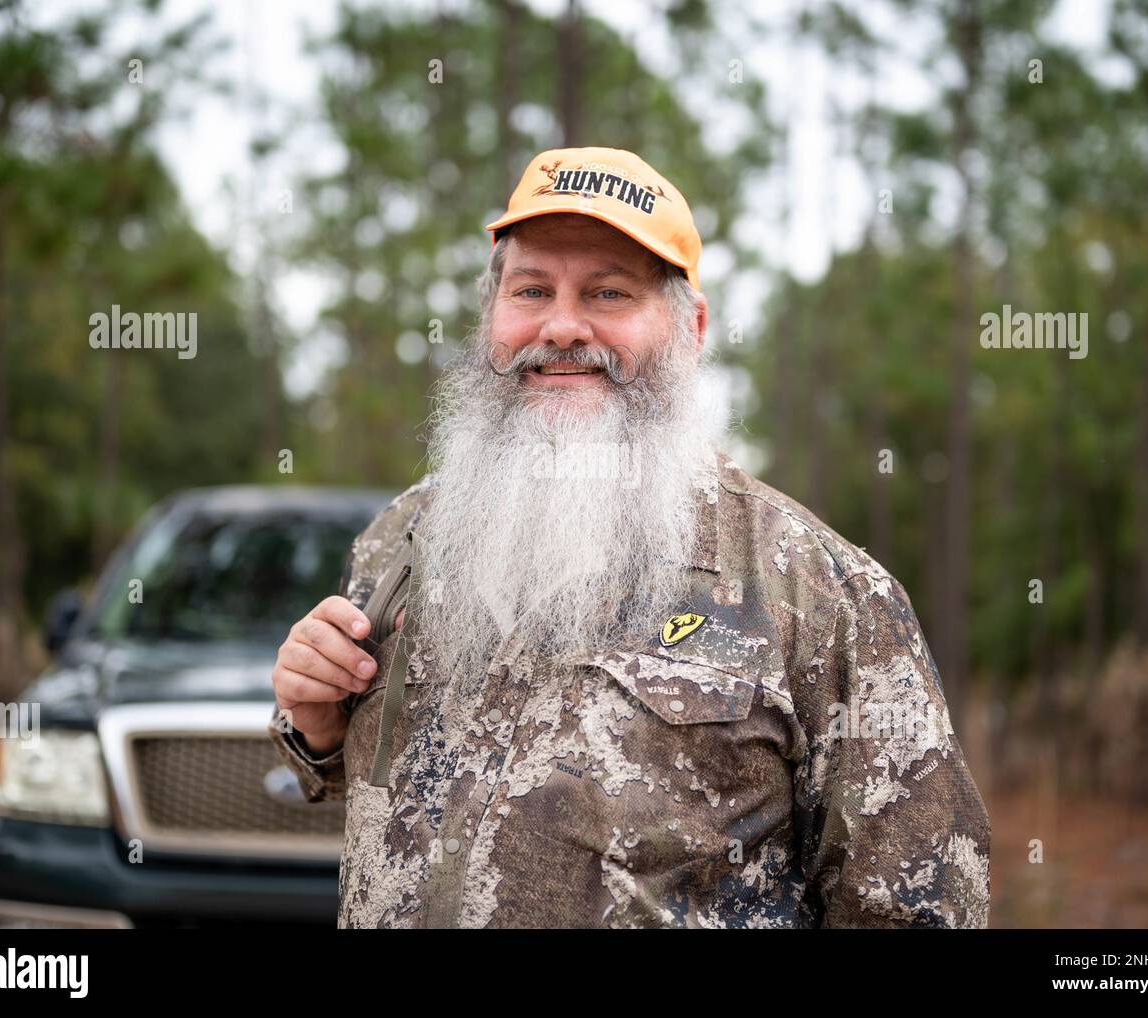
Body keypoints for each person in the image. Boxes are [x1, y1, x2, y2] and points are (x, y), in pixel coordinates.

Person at [269, 146, 991, 928]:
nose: (564, 326)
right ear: (492, 317)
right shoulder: (402, 540)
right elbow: (376, 785)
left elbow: (915, 909)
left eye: (609, 292)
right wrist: (314, 725)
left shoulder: (821, 591)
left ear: (692, 330)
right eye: (532, 290)